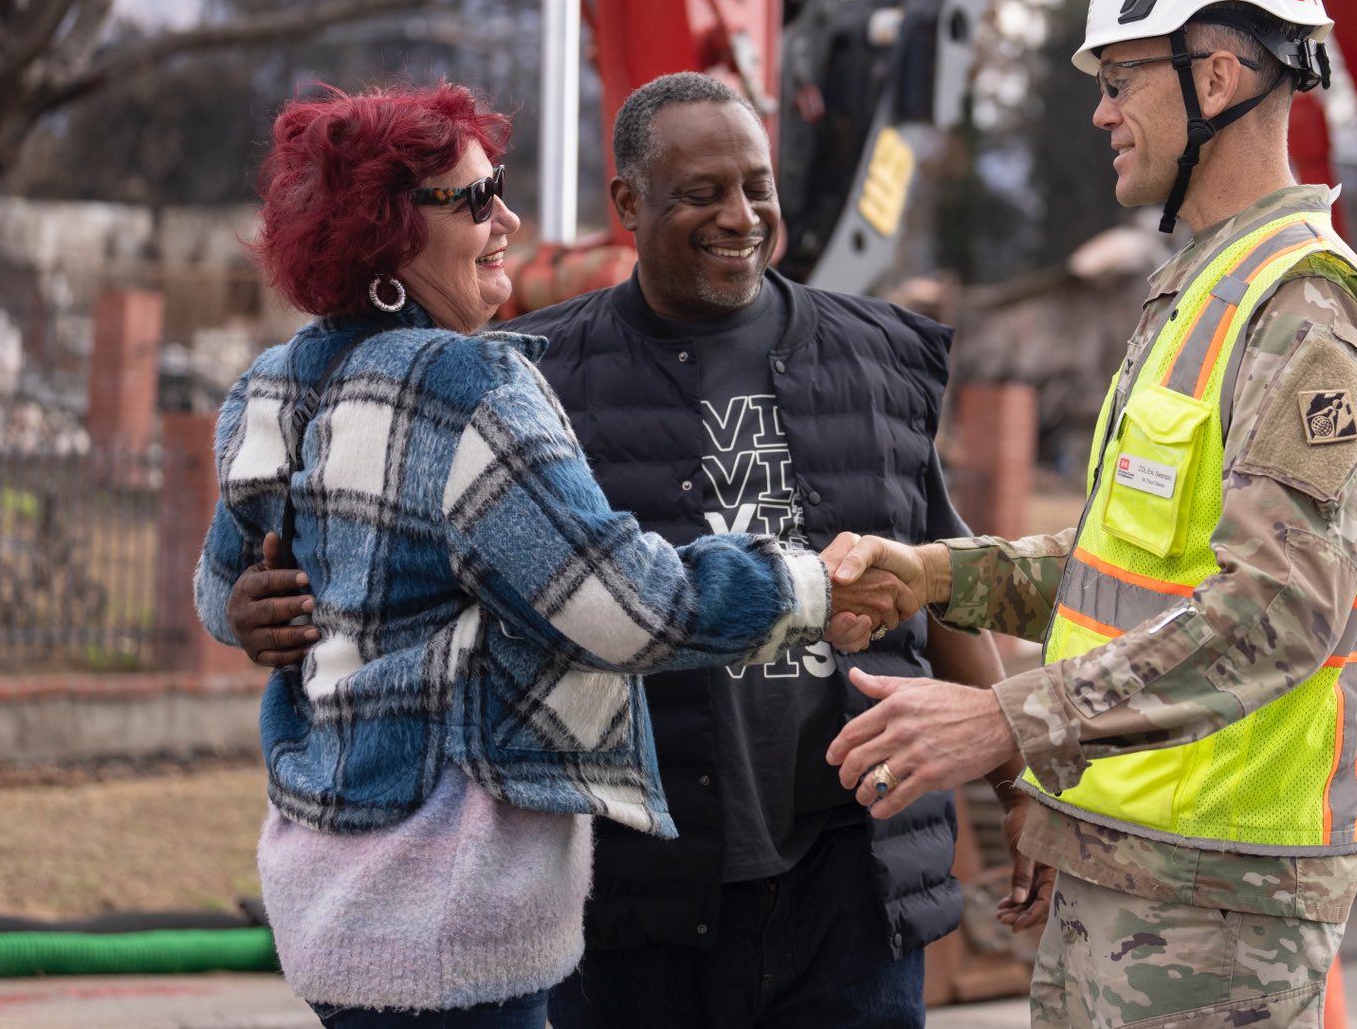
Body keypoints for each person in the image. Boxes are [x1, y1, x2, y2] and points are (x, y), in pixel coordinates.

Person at [231, 72, 1052, 1029]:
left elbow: (943, 576)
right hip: (634, 893)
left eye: (757, 186)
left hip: (850, 882)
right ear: (628, 203)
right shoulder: (533, 377)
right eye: (702, 192)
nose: (740, 215)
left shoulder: (876, 358)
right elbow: (421, 575)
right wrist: (257, 604)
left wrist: (1016, 782)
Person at [822, 0, 1357, 1029]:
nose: (1100, 110)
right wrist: (939, 574)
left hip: (1219, 894)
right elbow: (1125, 570)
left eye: (1121, 78)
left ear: (1217, 77)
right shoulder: (1201, 288)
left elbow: (1277, 609)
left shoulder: (1302, 309)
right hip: (1133, 862)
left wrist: (1009, 721)